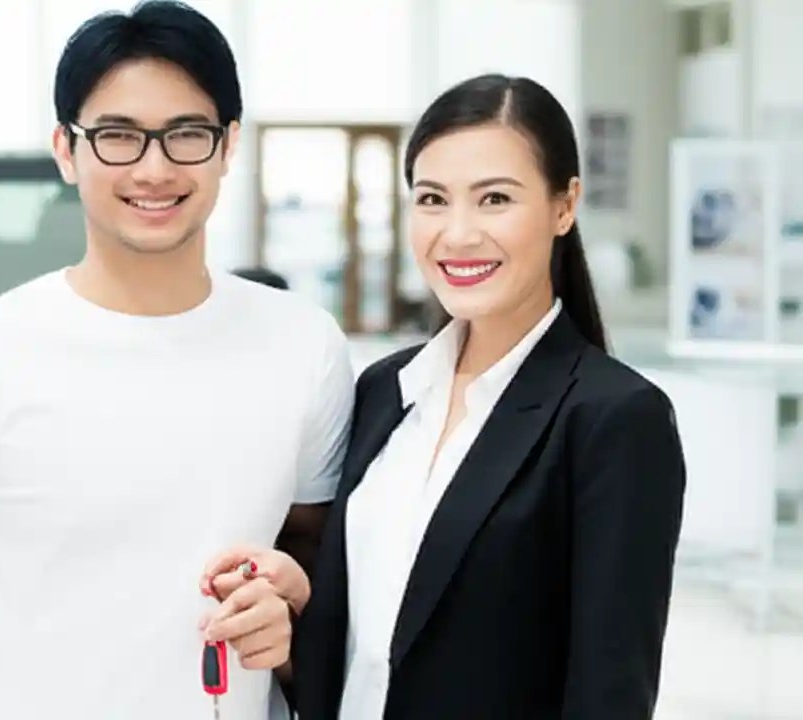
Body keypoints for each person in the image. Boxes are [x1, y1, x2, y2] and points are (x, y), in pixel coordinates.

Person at [0, 2, 354, 719]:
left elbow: (318, 562)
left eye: (186, 134)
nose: (154, 169)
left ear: (228, 146)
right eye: (118, 137)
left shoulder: (303, 346)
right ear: (66, 150)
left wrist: (288, 600)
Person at [203, 73, 687, 719]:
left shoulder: (614, 419)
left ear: (564, 205)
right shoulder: (386, 391)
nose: (457, 234)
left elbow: (610, 694)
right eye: (432, 199)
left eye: (494, 199)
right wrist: (297, 617)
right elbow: (372, 655)